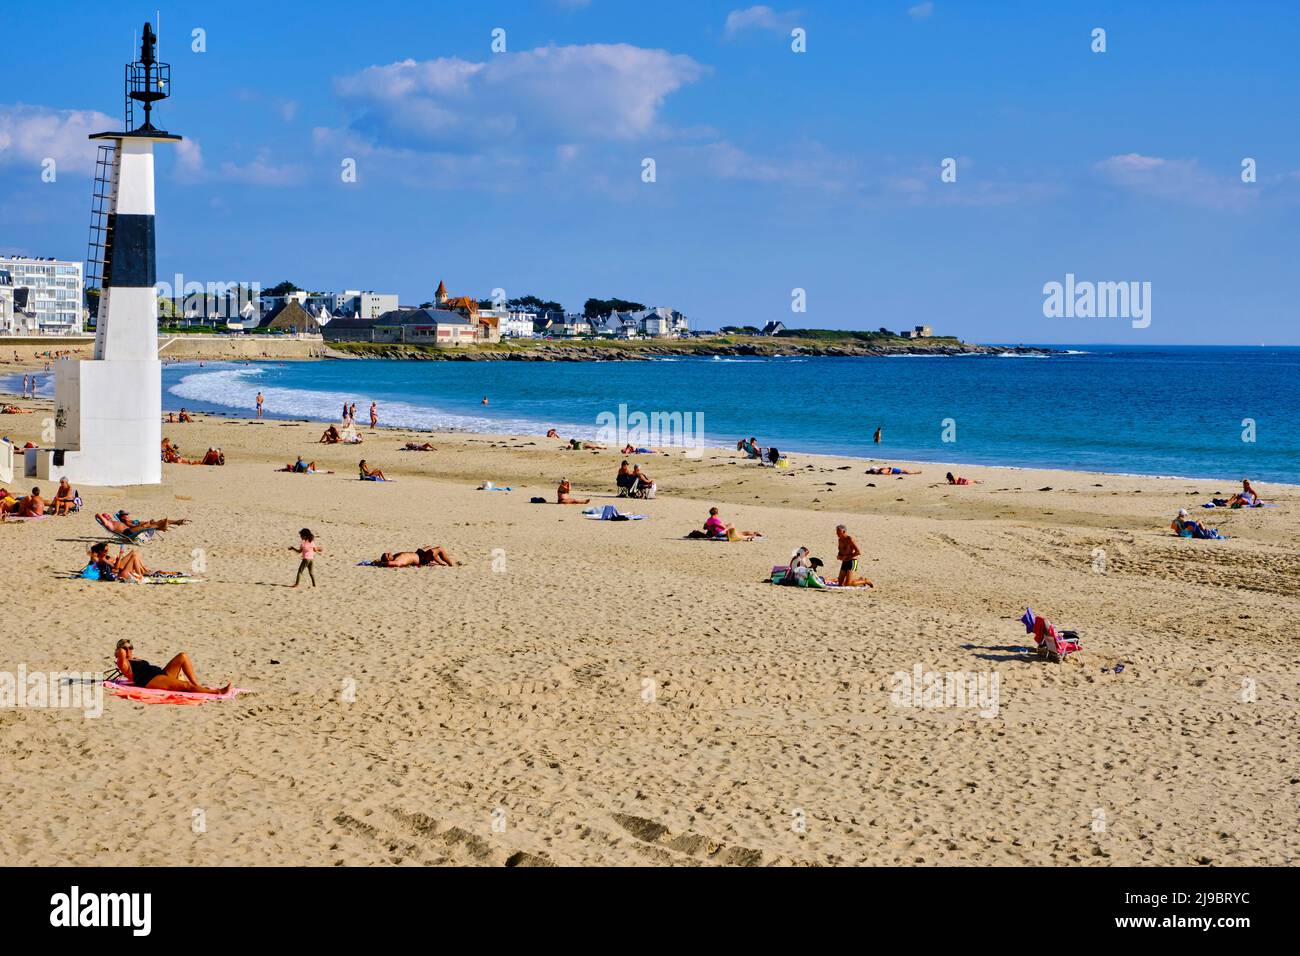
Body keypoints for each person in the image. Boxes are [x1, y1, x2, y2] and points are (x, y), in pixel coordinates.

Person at [114, 639, 229, 695]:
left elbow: (124, 652)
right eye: (125, 648)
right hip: (150, 680)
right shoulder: (124, 664)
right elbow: (121, 656)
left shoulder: (135, 659)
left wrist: (124, 648)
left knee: (182, 656)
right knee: (185, 685)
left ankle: (197, 685)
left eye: (131, 647)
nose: (129, 650)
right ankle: (217, 692)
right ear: (120, 651)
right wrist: (120, 651)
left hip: (161, 674)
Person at [374, 546, 457, 567]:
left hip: (417, 553)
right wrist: (383, 563)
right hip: (421, 559)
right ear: (388, 559)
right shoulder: (398, 561)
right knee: (439, 549)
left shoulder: (395, 556)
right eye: (388, 554)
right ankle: (451, 564)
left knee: (429, 547)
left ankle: (441, 563)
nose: (390, 553)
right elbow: (394, 564)